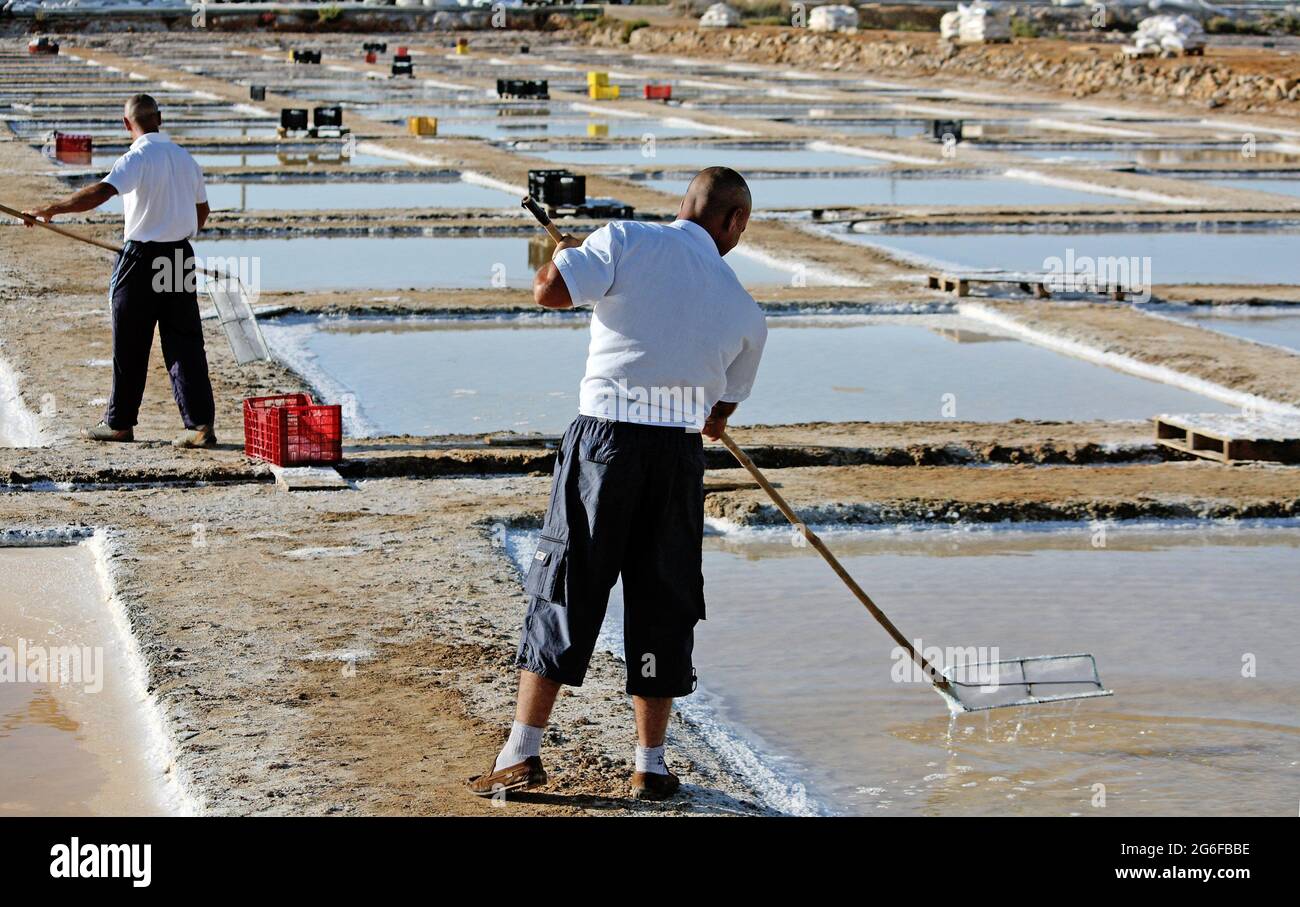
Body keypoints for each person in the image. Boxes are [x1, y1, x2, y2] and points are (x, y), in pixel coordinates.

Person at [468, 167, 768, 802]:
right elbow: (717, 421)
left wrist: (564, 262)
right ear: (734, 222)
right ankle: (650, 764)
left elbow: (548, 293)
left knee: (568, 584)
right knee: (663, 600)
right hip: (677, 457)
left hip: (605, 445)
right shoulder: (745, 308)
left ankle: (521, 752)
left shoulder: (627, 240)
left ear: (684, 206)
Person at [23, 93, 217, 448]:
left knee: (130, 342)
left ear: (127, 124)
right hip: (178, 257)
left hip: (141, 261)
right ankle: (200, 425)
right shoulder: (185, 159)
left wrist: (51, 208)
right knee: (185, 343)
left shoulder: (137, 157)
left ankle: (119, 423)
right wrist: (173, 230)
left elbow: (101, 192)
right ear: (159, 118)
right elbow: (201, 212)